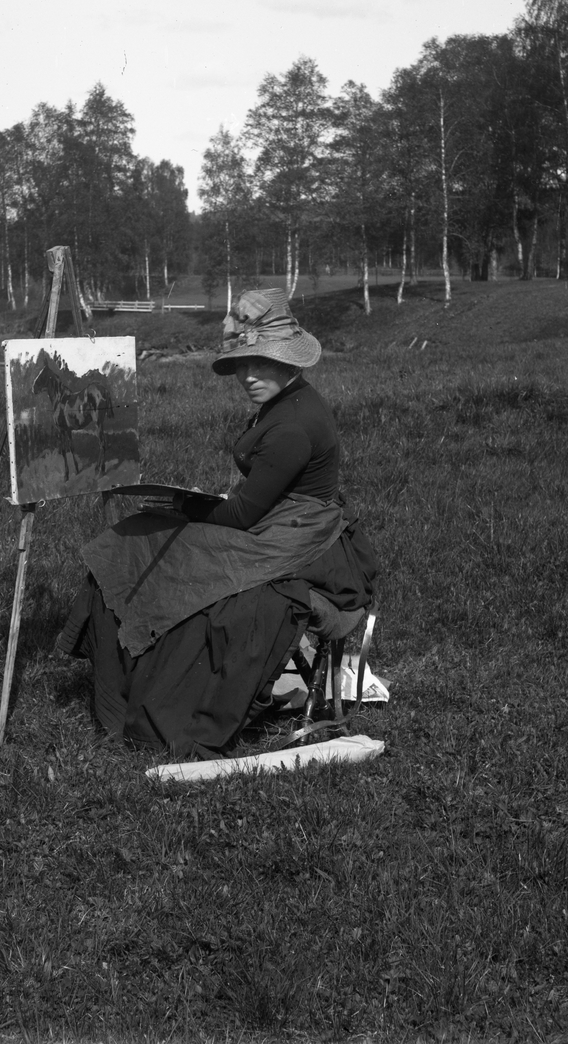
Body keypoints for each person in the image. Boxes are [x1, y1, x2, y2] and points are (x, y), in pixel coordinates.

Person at [56, 288, 377, 759]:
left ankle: (156, 692)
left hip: (294, 532)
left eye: (260, 363)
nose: (248, 375)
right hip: (285, 517)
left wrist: (183, 505)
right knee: (144, 538)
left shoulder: (291, 424)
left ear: (290, 363)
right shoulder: (290, 401)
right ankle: (125, 669)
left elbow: (243, 515)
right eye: (242, 364)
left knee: (167, 554)